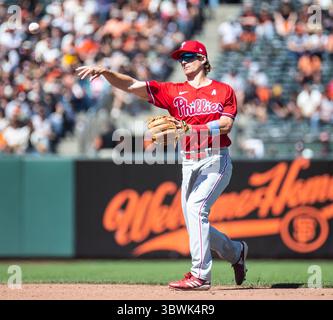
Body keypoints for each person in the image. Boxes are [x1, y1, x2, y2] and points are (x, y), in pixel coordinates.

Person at [76, 40, 248, 291]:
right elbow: (132, 85)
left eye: (189, 56)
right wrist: (106, 73)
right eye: (181, 58)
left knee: (196, 208)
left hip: (215, 158)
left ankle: (200, 275)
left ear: (203, 59)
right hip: (188, 161)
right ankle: (236, 252)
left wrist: (192, 128)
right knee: (194, 219)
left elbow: (225, 125)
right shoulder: (173, 90)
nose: (184, 61)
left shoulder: (223, 90)